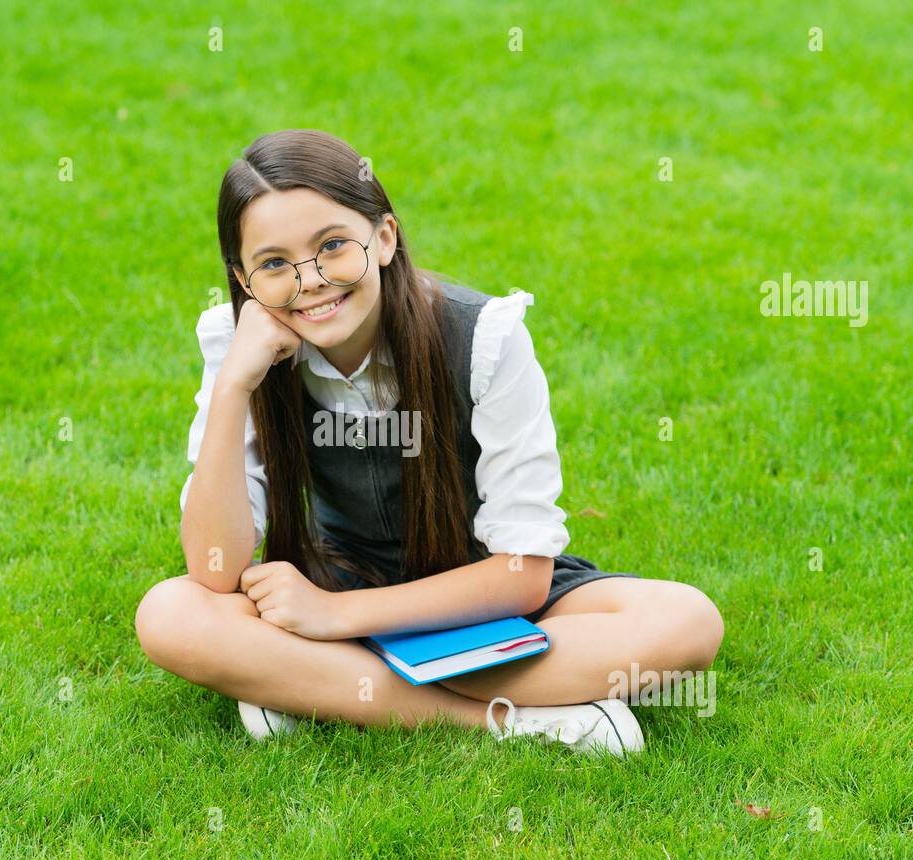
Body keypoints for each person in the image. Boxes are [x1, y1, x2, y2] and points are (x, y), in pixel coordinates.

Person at [136, 129, 723, 756]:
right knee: (170, 614)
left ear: (384, 237)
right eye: (274, 263)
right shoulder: (238, 345)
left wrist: (335, 621)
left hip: (479, 596)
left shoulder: (486, 337)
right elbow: (214, 568)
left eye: (333, 246)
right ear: (244, 280)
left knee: (687, 622)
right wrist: (233, 389)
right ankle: (512, 722)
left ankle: (312, 686)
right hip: (339, 574)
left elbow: (524, 575)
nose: (310, 281)